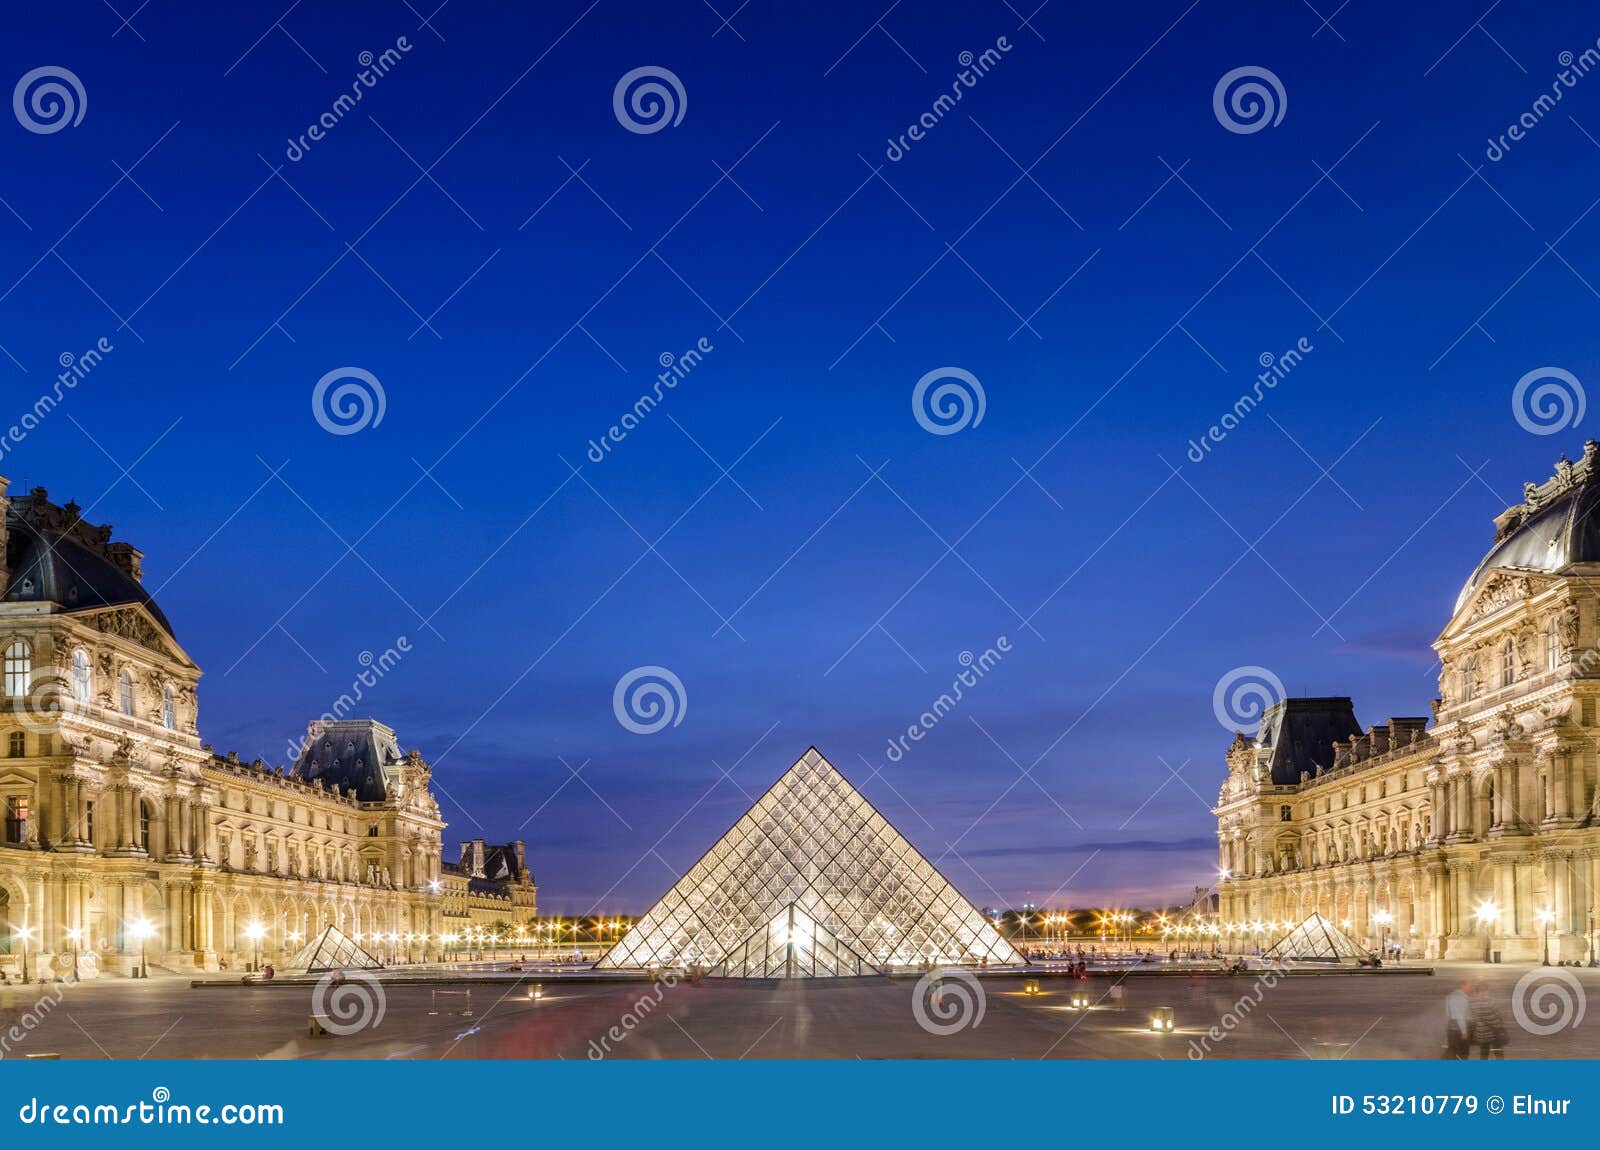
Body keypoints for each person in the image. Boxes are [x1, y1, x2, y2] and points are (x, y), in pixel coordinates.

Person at [1469, 986, 1508, 1059]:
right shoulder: (1490, 1001)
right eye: (1485, 991)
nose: (1486, 992)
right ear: (1485, 991)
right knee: (1498, 1053)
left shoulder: (1472, 1003)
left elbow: (1473, 1018)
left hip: (1481, 1033)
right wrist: (1499, 1026)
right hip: (1494, 1032)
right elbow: (1498, 1014)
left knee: (1484, 1054)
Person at [1444, 983, 1472, 1059]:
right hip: (1459, 1028)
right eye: (1469, 986)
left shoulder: (1450, 996)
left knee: (1452, 1051)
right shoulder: (1461, 998)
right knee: (1463, 1053)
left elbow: (1447, 1013)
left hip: (1451, 1027)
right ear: (1462, 986)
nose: (1470, 988)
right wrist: (1464, 1031)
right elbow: (1460, 1016)